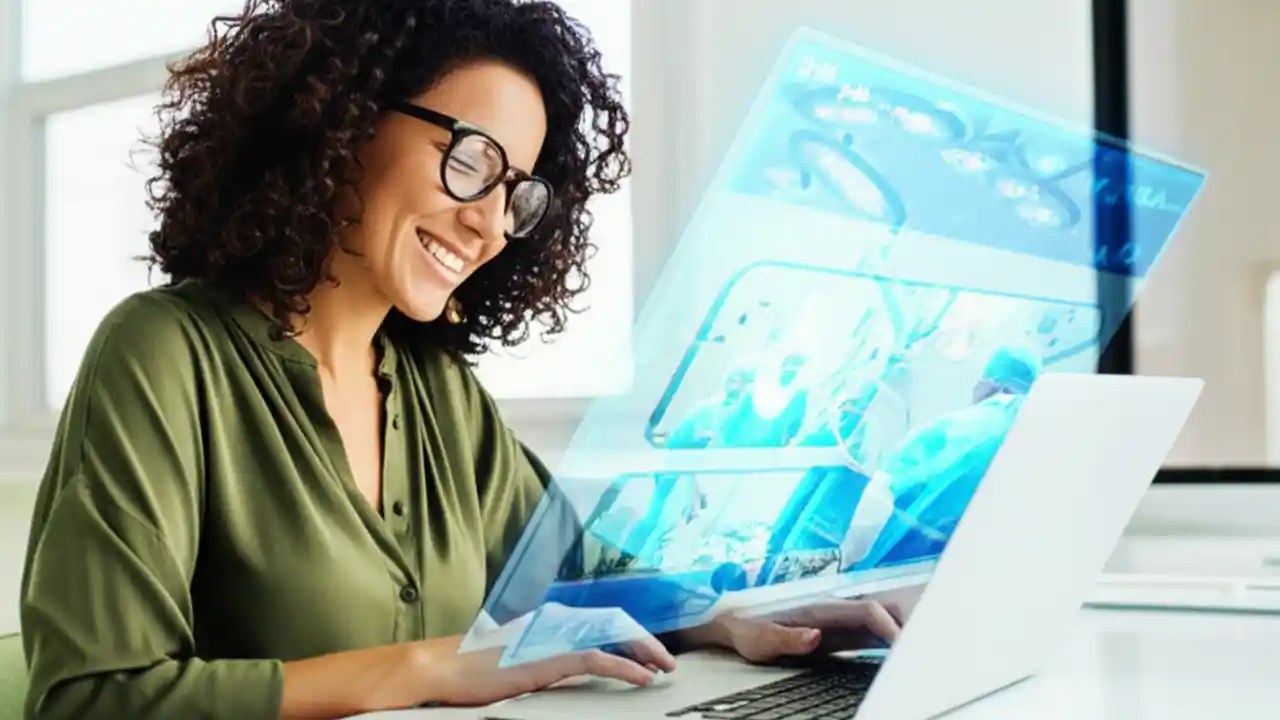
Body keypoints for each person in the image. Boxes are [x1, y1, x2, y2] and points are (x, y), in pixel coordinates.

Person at [18, 2, 900, 719]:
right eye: (470, 159)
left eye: (518, 192)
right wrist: (425, 667)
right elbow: (93, 696)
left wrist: (735, 620)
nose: (489, 222)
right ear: (341, 117)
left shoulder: (437, 391)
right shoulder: (163, 355)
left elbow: (579, 578)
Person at [839, 345, 1043, 570]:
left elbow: (885, 487)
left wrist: (847, 556)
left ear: (991, 381)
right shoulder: (1022, 439)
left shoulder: (968, 424)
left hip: (897, 547)